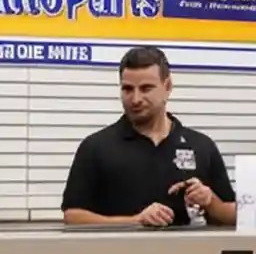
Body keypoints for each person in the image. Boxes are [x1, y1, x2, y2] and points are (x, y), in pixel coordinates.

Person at [61, 46, 236, 228]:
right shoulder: (95, 148)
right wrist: (135, 221)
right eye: (128, 89)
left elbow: (233, 216)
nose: (136, 99)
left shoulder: (201, 146)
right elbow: (73, 216)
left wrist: (211, 201)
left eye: (146, 89)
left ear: (167, 87)